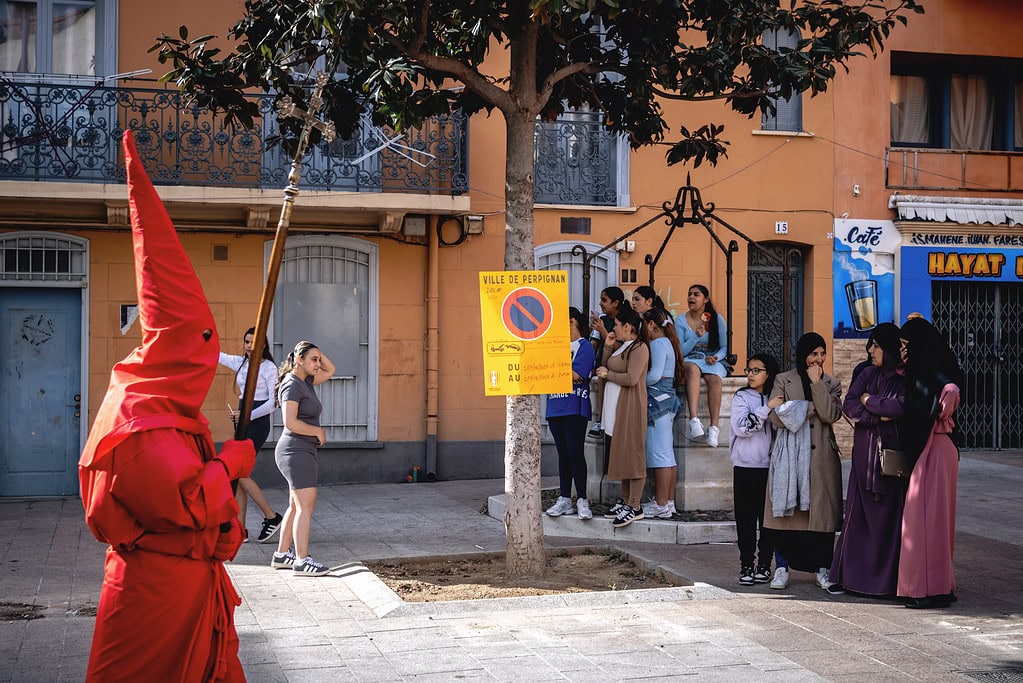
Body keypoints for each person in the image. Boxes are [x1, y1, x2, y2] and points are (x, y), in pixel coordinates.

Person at [79, 131, 253, 681]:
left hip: (188, 585)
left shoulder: (173, 410)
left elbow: (205, 508)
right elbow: (181, 504)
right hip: (151, 595)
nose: (205, 367)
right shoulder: (138, 414)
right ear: (175, 351)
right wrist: (231, 465)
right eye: (199, 348)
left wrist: (225, 522)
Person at [829, 323, 906, 597]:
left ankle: (884, 583)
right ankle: (851, 578)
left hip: (890, 457)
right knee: (859, 514)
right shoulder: (867, 373)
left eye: (875, 345)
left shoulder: (903, 377)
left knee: (888, 517)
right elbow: (850, 405)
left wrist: (869, 401)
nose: (871, 350)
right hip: (864, 456)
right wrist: (877, 413)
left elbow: (899, 407)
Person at [763, 332, 844, 591]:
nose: (818, 359)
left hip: (820, 458)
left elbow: (830, 415)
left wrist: (816, 386)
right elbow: (775, 417)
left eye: (822, 354)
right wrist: (810, 408)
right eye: (813, 354)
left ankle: (823, 568)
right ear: (803, 354)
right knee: (786, 517)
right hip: (789, 456)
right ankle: (782, 568)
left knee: (822, 517)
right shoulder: (782, 379)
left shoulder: (831, 383)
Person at [897, 317, 963, 609]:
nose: (902, 351)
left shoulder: (928, 376)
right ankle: (937, 586)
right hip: (940, 450)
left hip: (931, 450)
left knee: (922, 521)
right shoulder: (931, 372)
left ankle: (926, 590)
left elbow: (949, 393)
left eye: (905, 345)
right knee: (937, 522)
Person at [271, 340, 336, 576]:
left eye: (318, 359)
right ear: (299, 361)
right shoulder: (292, 385)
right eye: (313, 360)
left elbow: (331, 370)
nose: (319, 364)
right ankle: (301, 560)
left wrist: (314, 351)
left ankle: (281, 555)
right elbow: (290, 422)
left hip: (302, 450)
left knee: (295, 504)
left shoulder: (305, 381)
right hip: (295, 450)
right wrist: (317, 431)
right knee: (306, 505)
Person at [219, 327, 284, 543]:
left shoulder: (269, 368)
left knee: (239, 470)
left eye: (253, 342)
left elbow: (274, 402)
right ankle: (240, 530)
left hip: (256, 422)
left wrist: (248, 416)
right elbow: (217, 355)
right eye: (246, 342)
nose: (249, 346)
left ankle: (271, 516)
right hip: (242, 420)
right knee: (238, 473)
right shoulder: (240, 364)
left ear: (263, 344)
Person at [595, 307, 650, 528]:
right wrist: (608, 347)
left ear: (628, 327)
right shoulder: (623, 346)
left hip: (630, 408)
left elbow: (631, 378)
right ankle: (626, 501)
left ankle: (635, 505)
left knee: (633, 455)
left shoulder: (640, 348)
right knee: (623, 454)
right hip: (616, 407)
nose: (613, 327)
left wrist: (609, 375)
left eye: (616, 324)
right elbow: (607, 364)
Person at [729, 353, 780, 586]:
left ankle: (764, 565)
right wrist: (766, 409)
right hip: (744, 466)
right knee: (746, 520)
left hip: (768, 467)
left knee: (767, 521)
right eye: (749, 370)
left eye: (756, 370)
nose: (750, 375)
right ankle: (746, 565)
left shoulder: (776, 397)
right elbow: (742, 428)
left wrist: (772, 406)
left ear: (768, 373)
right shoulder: (741, 397)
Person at [545, 307, 596, 520]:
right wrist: (560, 371)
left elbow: (577, 374)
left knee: (575, 451)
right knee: (563, 453)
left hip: (575, 405)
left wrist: (556, 369)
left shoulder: (585, 346)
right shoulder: (554, 346)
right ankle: (564, 497)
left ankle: (582, 499)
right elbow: (546, 371)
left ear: (572, 321)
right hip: (555, 405)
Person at [640, 308, 683, 519]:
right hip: (668, 402)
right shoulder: (668, 343)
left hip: (657, 403)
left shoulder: (657, 344)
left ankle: (660, 503)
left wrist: (638, 379)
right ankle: (669, 502)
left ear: (650, 325)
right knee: (668, 455)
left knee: (659, 455)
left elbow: (655, 375)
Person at [675, 284, 728, 447]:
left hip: (711, 358)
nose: (691, 297)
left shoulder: (716, 319)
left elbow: (725, 346)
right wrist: (695, 337)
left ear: (705, 299)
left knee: (715, 380)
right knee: (691, 369)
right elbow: (680, 351)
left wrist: (716, 357)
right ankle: (694, 420)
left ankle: (714, 428)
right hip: (691, 358)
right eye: (689, 294)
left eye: (696, 294)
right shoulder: (680, 320)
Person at [588, 286, 627, 437]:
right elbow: (594, 344)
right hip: (603, 363)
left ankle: (602, 420)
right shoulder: (602, 320)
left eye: (604, 300)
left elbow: (620, 348)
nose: (600, 304)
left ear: (616, 303)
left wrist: (603, 330)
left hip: (619, 365)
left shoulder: (625, 321)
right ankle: (599, 421)